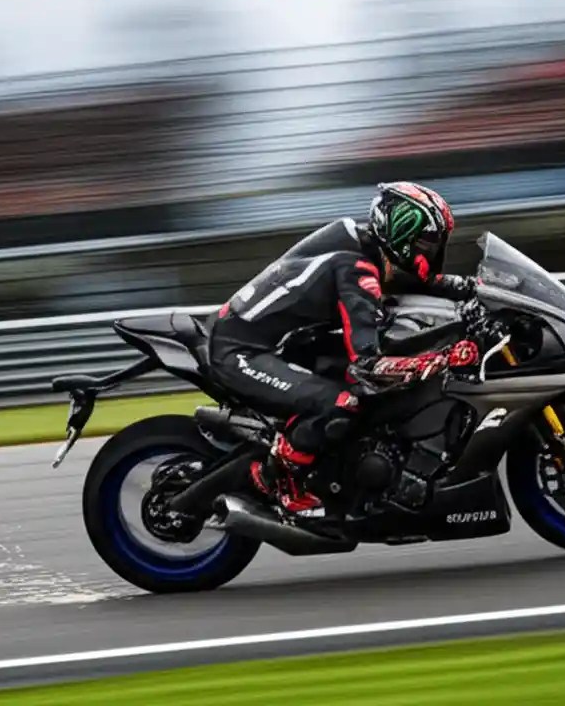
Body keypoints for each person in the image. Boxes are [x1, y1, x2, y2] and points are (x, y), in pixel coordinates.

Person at [206, 181, 481, 517]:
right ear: (400, 235)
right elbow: (367, 367)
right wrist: (444, 359)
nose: (434, 250)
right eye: (428, 242)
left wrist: (476, 289)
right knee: (341, 402)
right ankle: (276, 481)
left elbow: (417, 279)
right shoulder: (356, 270)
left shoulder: (367, 250)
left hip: (278, 345)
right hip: (242, 352)